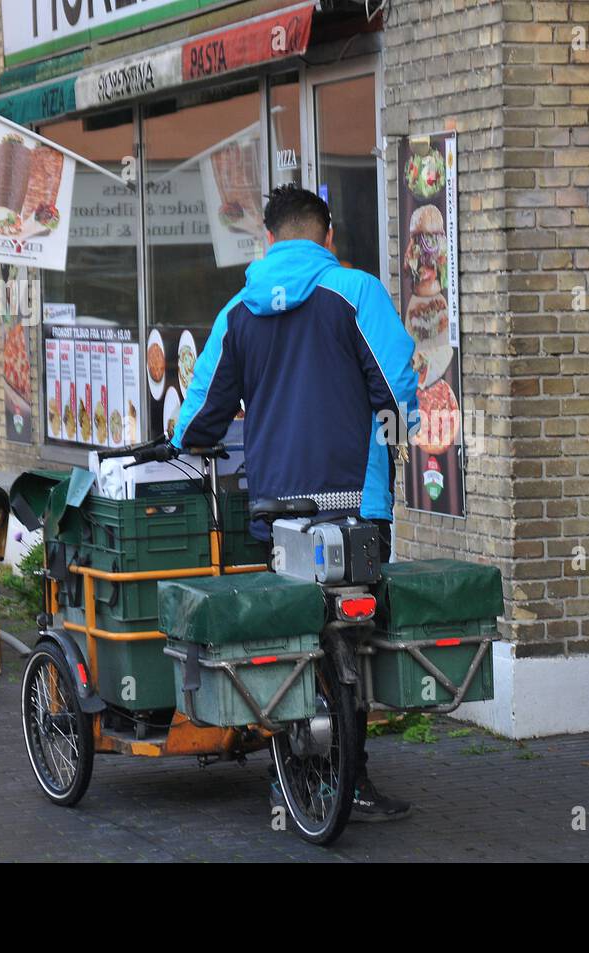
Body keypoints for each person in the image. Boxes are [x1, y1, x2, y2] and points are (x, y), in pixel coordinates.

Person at [173, 184, 419, 822]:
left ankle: (288, 773)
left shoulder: (238, 312)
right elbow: (394, 390)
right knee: (355, 638)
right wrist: (395, 442)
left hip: (277, 506)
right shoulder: (355, 291)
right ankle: (354, 782)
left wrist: (189, 445)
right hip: (354, 504)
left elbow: (200, 416)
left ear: (268, 238)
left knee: (287, 632)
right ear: (328, 235)